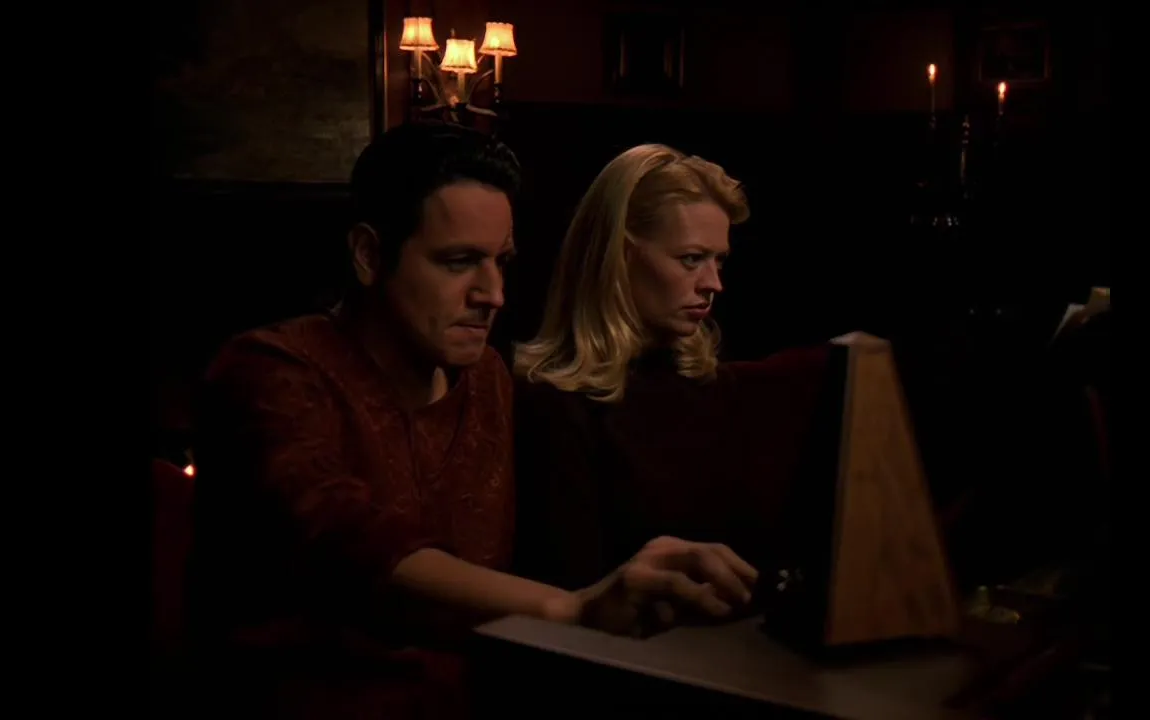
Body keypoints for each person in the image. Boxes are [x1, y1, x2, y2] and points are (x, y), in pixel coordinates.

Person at [186, 123, 759, 719]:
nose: (493, 294)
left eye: (501, 262)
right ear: (369, 255)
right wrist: (573, 610)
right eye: (459, 262)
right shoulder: (270, 371)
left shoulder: (488, 379)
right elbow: (348, 540)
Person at [511, 144, 839, 592]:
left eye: (719, 260)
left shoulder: (710, 387)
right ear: (621, 256)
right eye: (691, 259)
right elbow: (569, 592)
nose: (714, 284)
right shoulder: (556, 407)